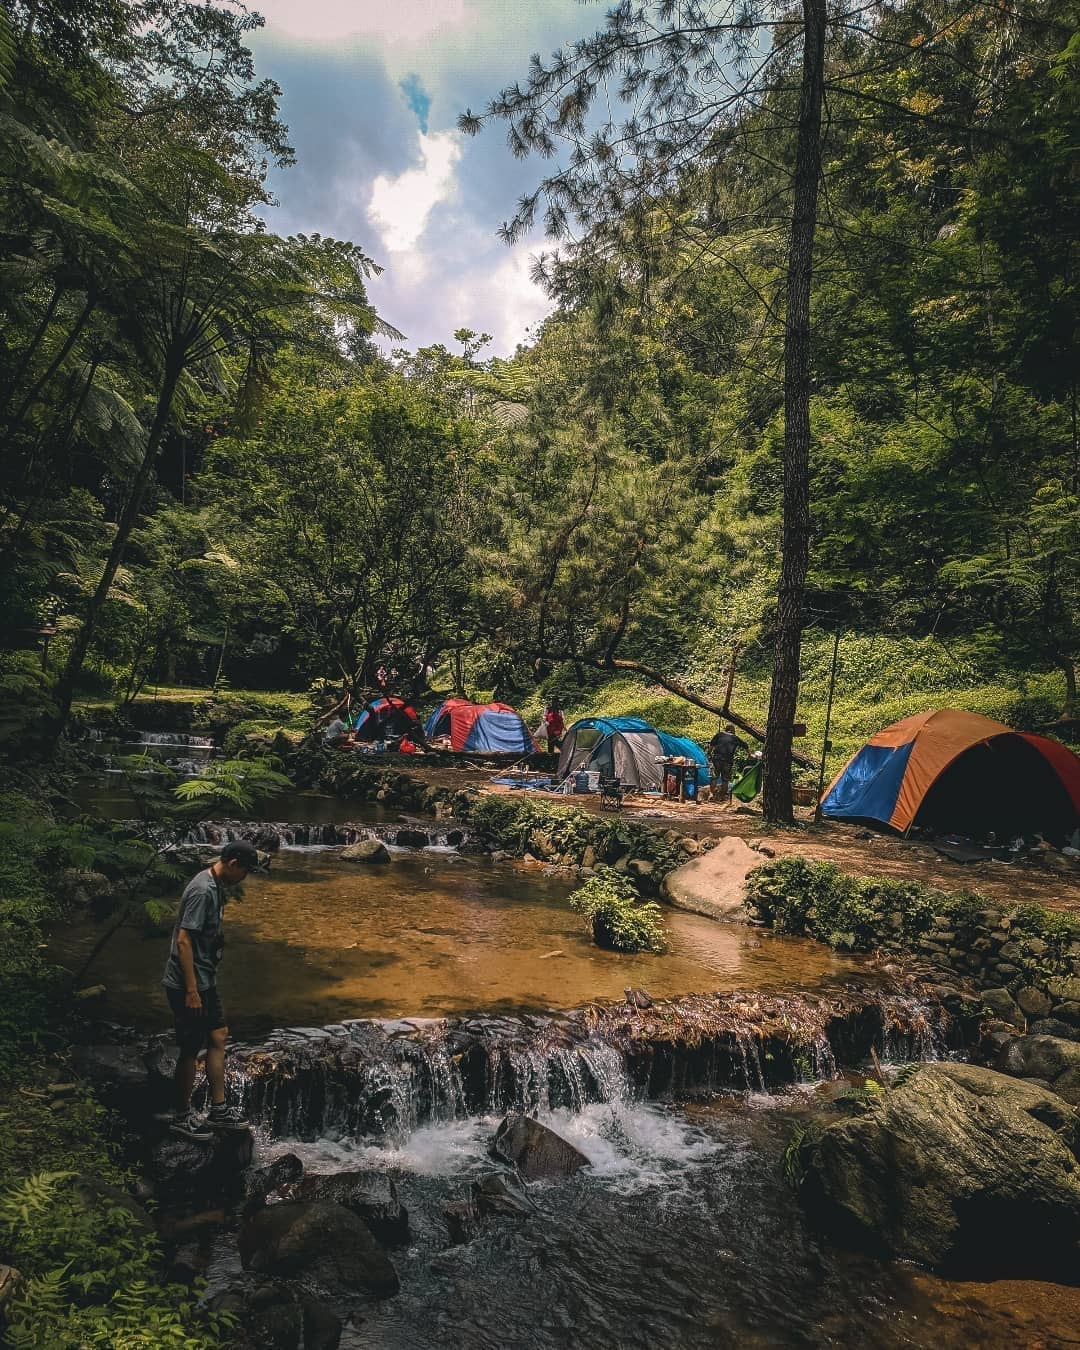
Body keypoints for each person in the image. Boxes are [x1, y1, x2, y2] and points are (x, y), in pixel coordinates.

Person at [162, 841, 266, 1141]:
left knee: (218, 1035)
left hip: (205, 980)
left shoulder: (216, 885)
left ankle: (218, 1109)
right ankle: (181, 1116)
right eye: (246, 870)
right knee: (190, 1048)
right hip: (188, 984)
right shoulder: (203, 890)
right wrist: (191, 990)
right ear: (233, 864)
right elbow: (183, 941)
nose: (246, 877)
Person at [708, 723, 748, 803]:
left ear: (726, 729)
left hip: (717, 759)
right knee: (725, 780)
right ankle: (722, 797)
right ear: (732, 730)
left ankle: (713, 795)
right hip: (728, 761)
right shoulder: (735, 738)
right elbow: (745, 745)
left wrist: (708, 753)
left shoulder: (719, 735)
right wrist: (749, 754)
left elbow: (711, 746)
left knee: (714, 778)